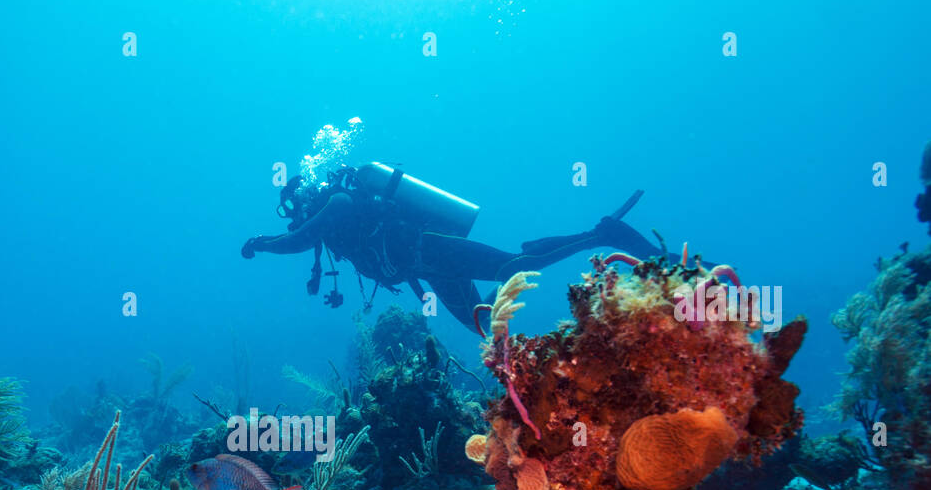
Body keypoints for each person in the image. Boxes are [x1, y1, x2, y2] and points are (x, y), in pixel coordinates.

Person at [241, 163, 671, 330]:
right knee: (479, 324)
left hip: (428, 248)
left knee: (510, 268)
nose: (297, 216)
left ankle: (602, 234)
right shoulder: (334, 221)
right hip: (425, 269)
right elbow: (307, 239)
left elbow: (298, 240)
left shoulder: (337, 202)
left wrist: (261, 243)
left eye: (295, 208)